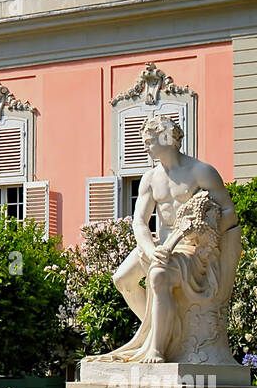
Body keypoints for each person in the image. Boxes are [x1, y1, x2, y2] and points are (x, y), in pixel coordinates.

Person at [91, 113, 240, 363]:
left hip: (191, 248)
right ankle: (155, 331)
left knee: (159, 276)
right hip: (160, 246)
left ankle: (157, 349)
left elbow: (229, 214)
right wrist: (150, 250)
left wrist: (203, 230)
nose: (145, 145)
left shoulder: (201, 171)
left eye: (150, 140)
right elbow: (139, 221)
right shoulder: (151, 178)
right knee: (122, 279)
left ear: (166, 137)